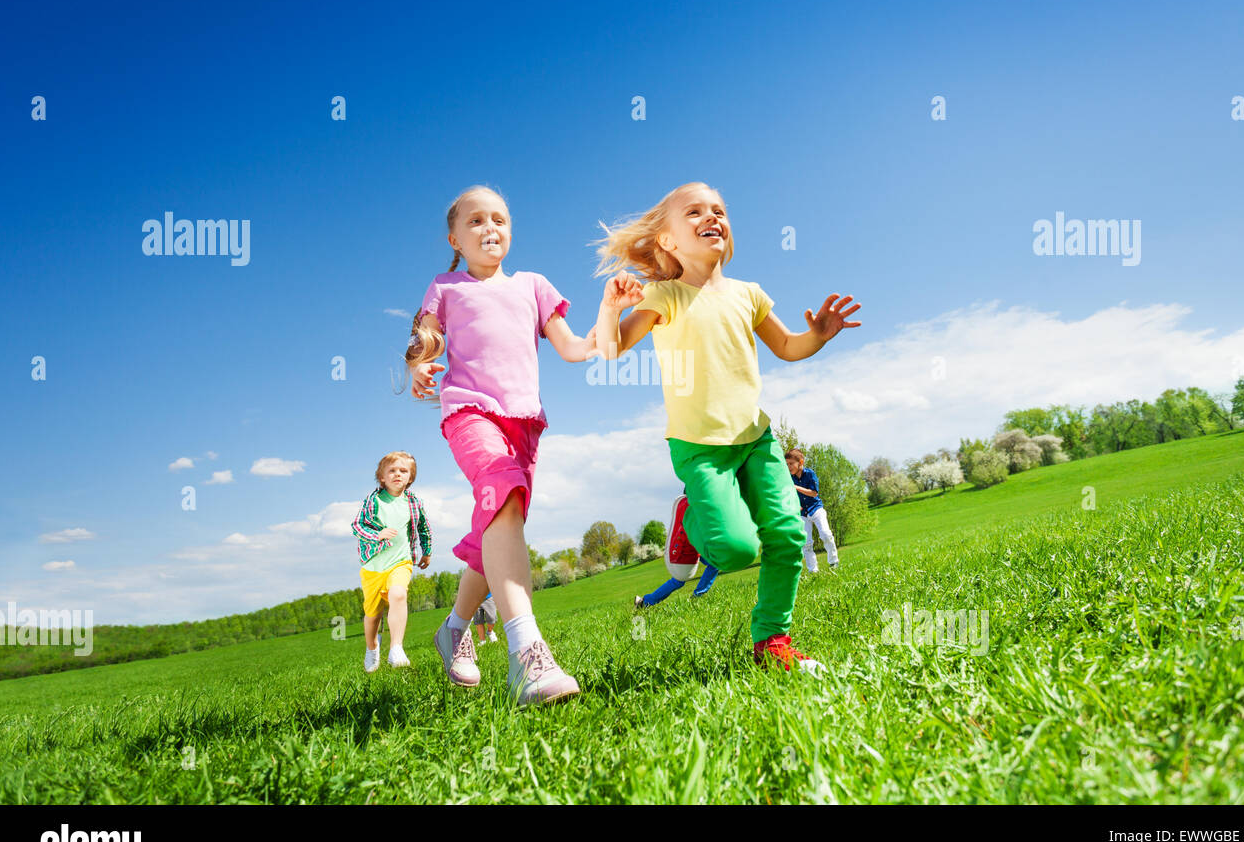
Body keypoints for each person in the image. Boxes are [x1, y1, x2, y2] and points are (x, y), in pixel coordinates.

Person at [594, 181, 861, 673]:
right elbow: (611, 350)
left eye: (718, 210)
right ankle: (691, 521)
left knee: (785, 536)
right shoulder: (663, 294)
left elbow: (787, 347)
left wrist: (818, 336)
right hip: (699, 447)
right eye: (693, 211)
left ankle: (772, 641)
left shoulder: (749, 294)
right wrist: (611, 308)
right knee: (736, 550)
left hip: (756, 439)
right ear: (669, 241)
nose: (711, 216)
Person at [404, 185, 597, 706]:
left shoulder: (534, 286)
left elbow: (576, 348)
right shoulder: (445, 287)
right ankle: (527, 657)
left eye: (500, 220)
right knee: (503, 497)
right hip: (469, 414)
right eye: (476, 222)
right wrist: (419, 364)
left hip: (525, 424)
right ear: (455, 238)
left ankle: (453, 627)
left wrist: (613, 312)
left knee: (497, 526)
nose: (490, 228)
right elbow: (426, 338)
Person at [350, 451, 432, 672]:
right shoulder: (373, 500)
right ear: (382, 477)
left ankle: (396, 648)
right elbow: (357, 526)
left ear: (410, 477)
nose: (398, 474)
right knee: (372, 615)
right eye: (392, 471)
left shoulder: (414, 502)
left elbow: (423, 527)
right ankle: (372, 647)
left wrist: (427, 551)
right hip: (373, 567)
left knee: (398, 594)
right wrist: (378, 534)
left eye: (403, 471)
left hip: (401, 562)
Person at [785, 448, 840, 573]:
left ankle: (833, 562)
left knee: (825, 534)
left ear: (801, 462)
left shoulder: (810, 474)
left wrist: (796, 487)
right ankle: (813, 570)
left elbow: (814, 493)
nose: (789, 467)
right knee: (806, 543)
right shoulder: (789, 478)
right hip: (802, 513)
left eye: (791, 463)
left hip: (816, 509)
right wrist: (794, 504)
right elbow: (788, 494)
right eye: (787, 464)